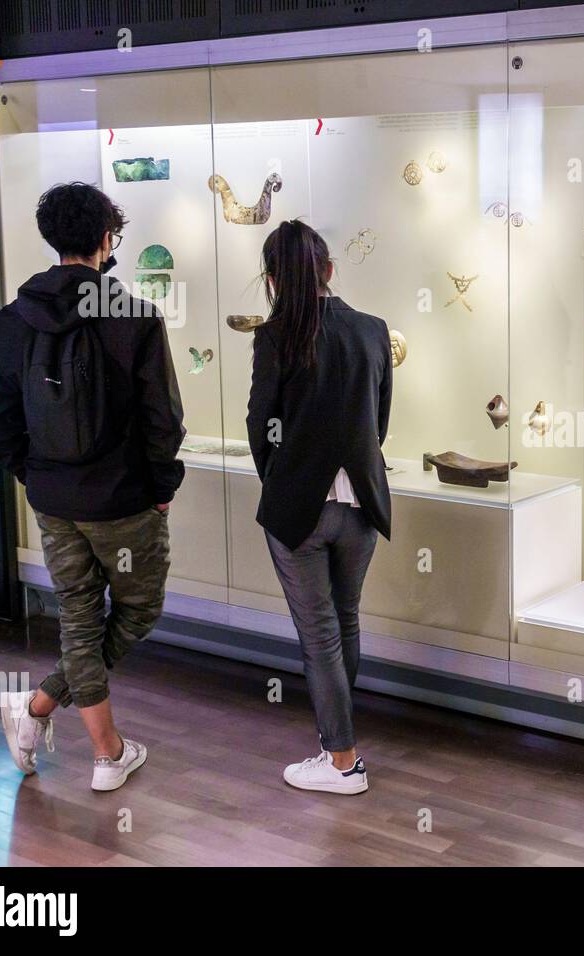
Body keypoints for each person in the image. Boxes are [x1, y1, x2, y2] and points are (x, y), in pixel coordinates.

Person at [0, 182, 185, 792]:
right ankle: (104, 751)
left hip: (52, 499)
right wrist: (161, 486)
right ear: (105, 241)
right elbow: (163, 421)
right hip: (124, 499)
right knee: (139, 608)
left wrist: (38, 475)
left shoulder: (10, 322)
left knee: (77, 614)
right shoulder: (136, 319)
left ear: (52, 239)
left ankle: (44, 711)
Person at [248, 219, 393, 795]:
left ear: (272, 279)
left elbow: (263, 425)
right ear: (330, 269)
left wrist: (283, 482)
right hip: (361, 506)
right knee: (345, 620)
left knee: (319, 634)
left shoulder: (274, 334)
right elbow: (378, 423)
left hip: (300, 513)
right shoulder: (373, 330)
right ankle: (338, 745)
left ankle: (342, 760)